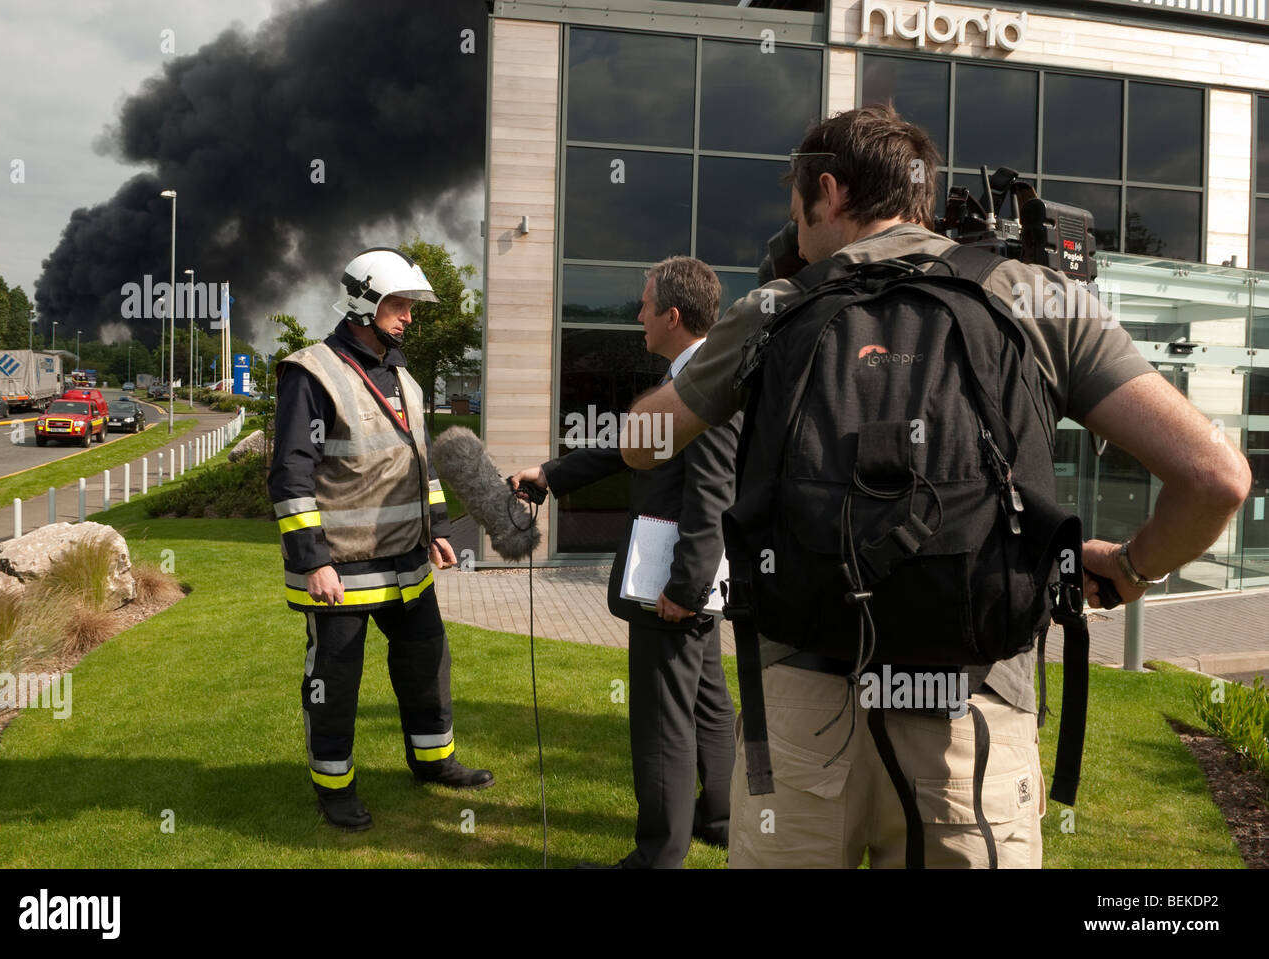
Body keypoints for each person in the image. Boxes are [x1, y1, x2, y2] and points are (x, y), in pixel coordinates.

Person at [620, 106, 1252, 868]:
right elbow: (1217, 476)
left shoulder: (776, 308)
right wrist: (1131, 566)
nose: (796, 237)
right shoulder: (1035, 298)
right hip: (973, 716)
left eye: (797, 215)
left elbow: (640, 445)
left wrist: (700, 366)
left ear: (827, 190)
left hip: (804, 716)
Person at [512, 256, 739, 868]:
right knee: (709, 701)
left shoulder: (708, 385)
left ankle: (657, 857)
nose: (636, 314)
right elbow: (629, 448)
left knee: (664, 721)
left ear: (671, 314)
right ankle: (722, 819)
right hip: (692, 584)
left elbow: (713, 496)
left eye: (643, 305)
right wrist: (553, 474)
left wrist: (685, 588)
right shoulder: (692, 378)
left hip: (675, 585)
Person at [269, 247, 494, 832]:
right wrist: (312, 561)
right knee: (336, 679)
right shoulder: (310, 372)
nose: (408, 317)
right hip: (340, 568)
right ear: (364, 302)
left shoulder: (406, 379)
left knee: (426, 660)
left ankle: (433, 762)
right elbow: (290, 476)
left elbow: (422, 465)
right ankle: (334, 786)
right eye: (399, 304)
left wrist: (439, 529)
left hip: (407, 560)